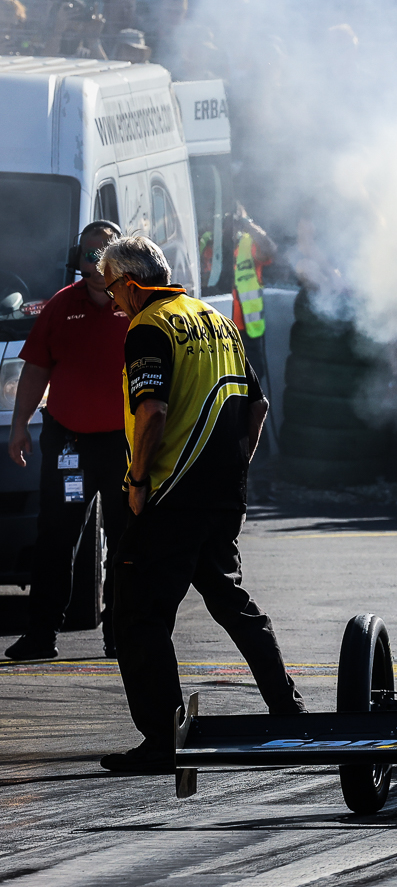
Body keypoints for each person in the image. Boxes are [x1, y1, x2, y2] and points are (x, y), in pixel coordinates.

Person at [99, 236, 305, 772]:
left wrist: (138, 481)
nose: (112, 301)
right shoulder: (217, 322)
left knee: (138, 615)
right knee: (230, 601)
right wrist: (237, 466)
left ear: (131, 282)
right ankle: (288, 708)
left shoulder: (149, 326)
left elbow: (153, 412)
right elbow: (256, 406)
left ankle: (162, 740)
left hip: (169, 495)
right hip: (221, 494)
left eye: (112, 288)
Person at [5, 222, 130, 662]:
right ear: (78, 259)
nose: (96, 263)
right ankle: (42, 636)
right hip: (68, 446)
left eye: (105, 253)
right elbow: (36, 370)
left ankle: (120, 635)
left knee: (125, 539)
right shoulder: (61, 306)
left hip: (123, 446)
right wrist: (21, 425)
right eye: (89, 254)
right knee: (56, 538)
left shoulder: (137, 307)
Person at [199, 206, 277, 385]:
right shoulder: (208, 243)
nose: (228, 222)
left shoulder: (249, 243)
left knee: (252, 381)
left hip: (247, 329)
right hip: (214, 329)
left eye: (232, 218)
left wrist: (247, 223)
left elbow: (270, 250)